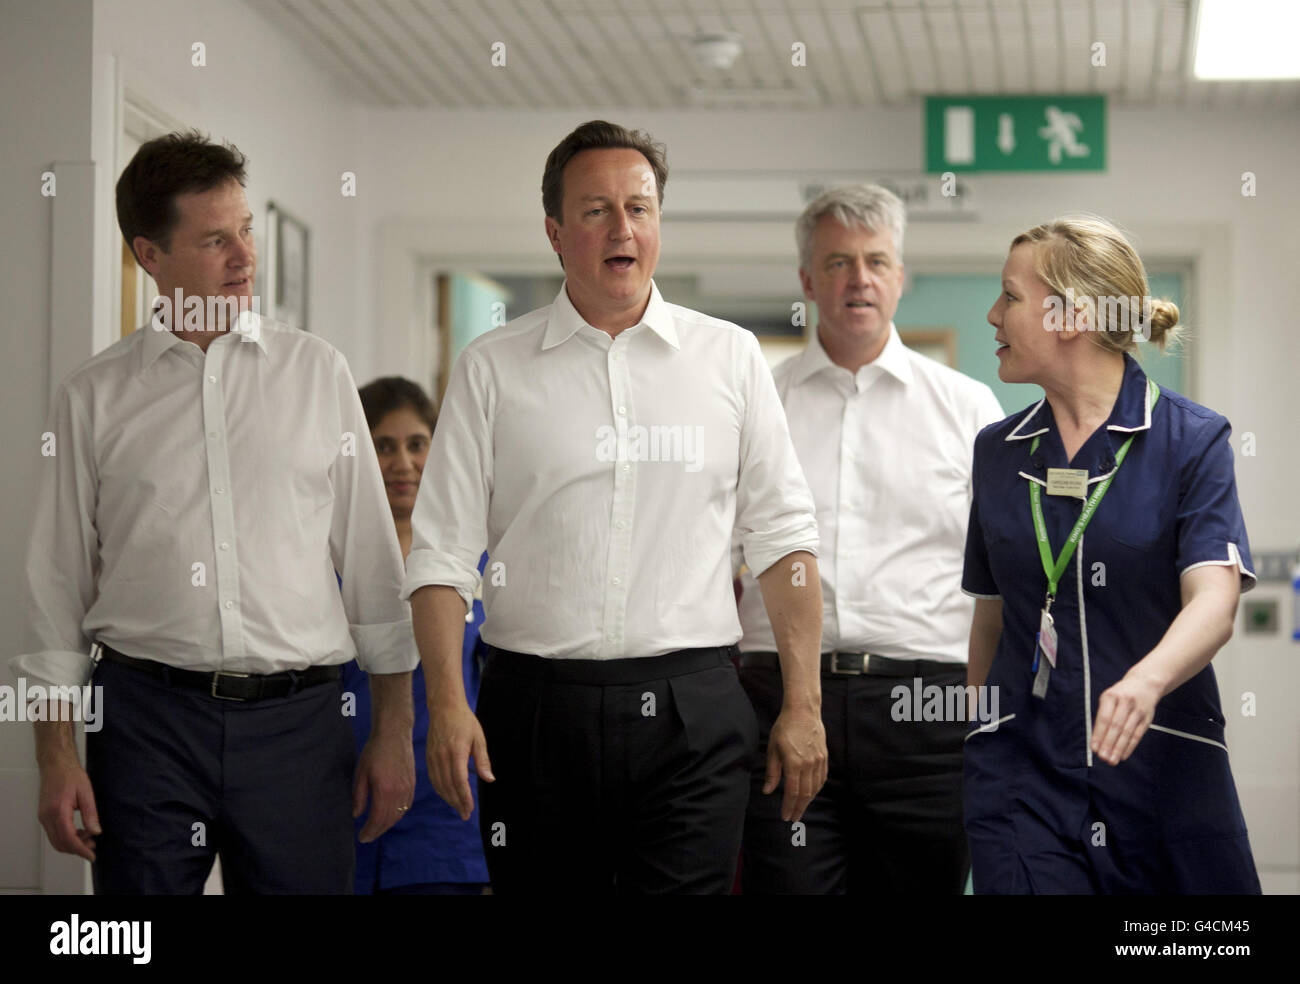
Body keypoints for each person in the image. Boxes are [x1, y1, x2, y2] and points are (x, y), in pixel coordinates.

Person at [403, 119, 826, 894]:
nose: (622, 227)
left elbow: (784, 540)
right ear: (556, 233)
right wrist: (447, 703)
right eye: (596, 210)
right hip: (533, 714)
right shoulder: (492, 368)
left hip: (692, 712)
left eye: (640, 207)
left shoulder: (730, 357)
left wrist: (804, 703)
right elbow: (439, 554)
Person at [15, 130, 417, 894]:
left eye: (246, 231)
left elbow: (373, 569)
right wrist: (57, 756)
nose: (244, 258)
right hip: (144, 725)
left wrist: (394, 733)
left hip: (302, 727)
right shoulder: (92, 398)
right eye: (213, 240)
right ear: (149, 255)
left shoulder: (316, 373)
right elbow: (55, 590)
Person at [963, 214, 1261, 894]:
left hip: (1159, 768)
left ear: (1070, 314)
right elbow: (992, 617)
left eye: (1009, 297)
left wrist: (1147, 681)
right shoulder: (997, 453)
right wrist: (981, 734)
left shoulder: (1191, 440)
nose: (993, 314)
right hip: (1021, 778)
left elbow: (1214, 601)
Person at [734, 184, 1004, 894]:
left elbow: (1002, 578)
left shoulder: (968, 407)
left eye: (877, 261)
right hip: (780, 699)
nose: (860, 278)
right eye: (839, 261)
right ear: (806, 280)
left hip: (928, 710)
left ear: (900, 277)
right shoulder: (760, 402)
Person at [341, 377, 489, 894]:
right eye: (383, 446)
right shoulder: (325, 567)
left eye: (416, 445)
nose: (402, 463)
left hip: (445, 812)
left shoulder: (479, 569)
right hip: (345, 798)